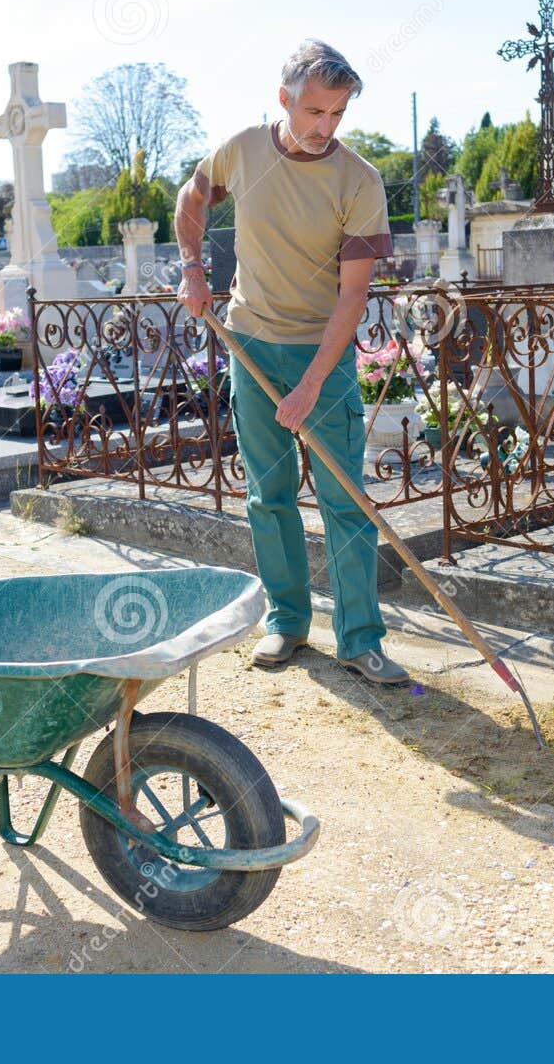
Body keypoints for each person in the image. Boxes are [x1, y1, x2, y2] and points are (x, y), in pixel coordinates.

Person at [174, 39, 407, 686]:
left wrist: (310, 385)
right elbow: (191, 199)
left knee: (345, 500)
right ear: (284, 99)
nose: (324, 127)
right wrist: (192, 268)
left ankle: (360, 640)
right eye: (313, 111)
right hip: (249, 343)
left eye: (337, 114)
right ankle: (287, 622)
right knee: (268, 496)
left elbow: (353, 296)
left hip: (322, 354)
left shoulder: (359, 180)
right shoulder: (242, 151)